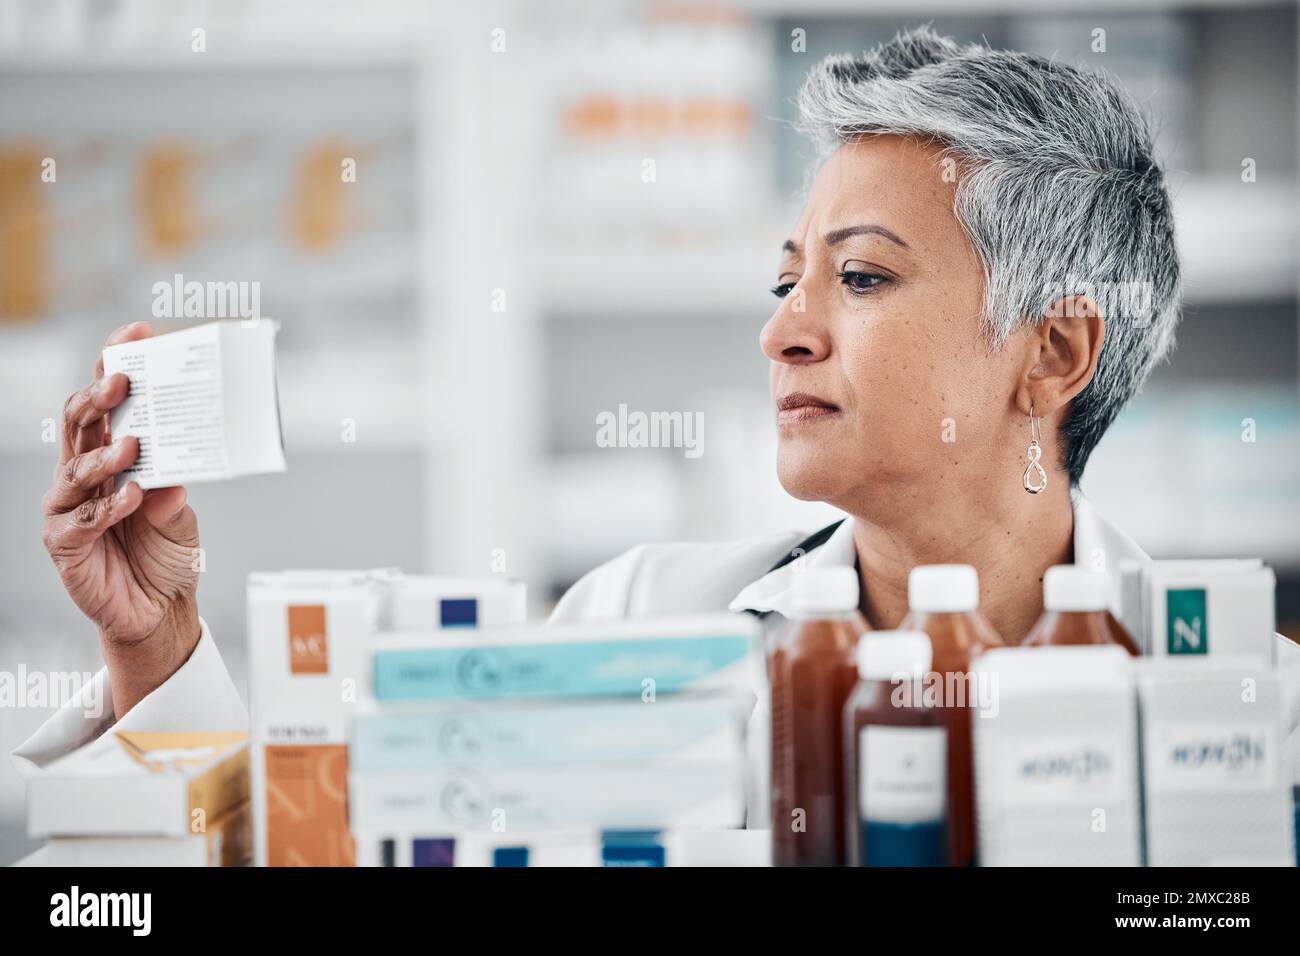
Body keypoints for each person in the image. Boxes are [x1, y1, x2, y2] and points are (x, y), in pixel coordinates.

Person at [17, 28, 1297, 790]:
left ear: (1054, 350)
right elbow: (316, 852)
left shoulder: (1260, 706)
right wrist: (156, 644)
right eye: (784, 277)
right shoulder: (641, 623)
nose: (784, 325)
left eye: (859, 276)